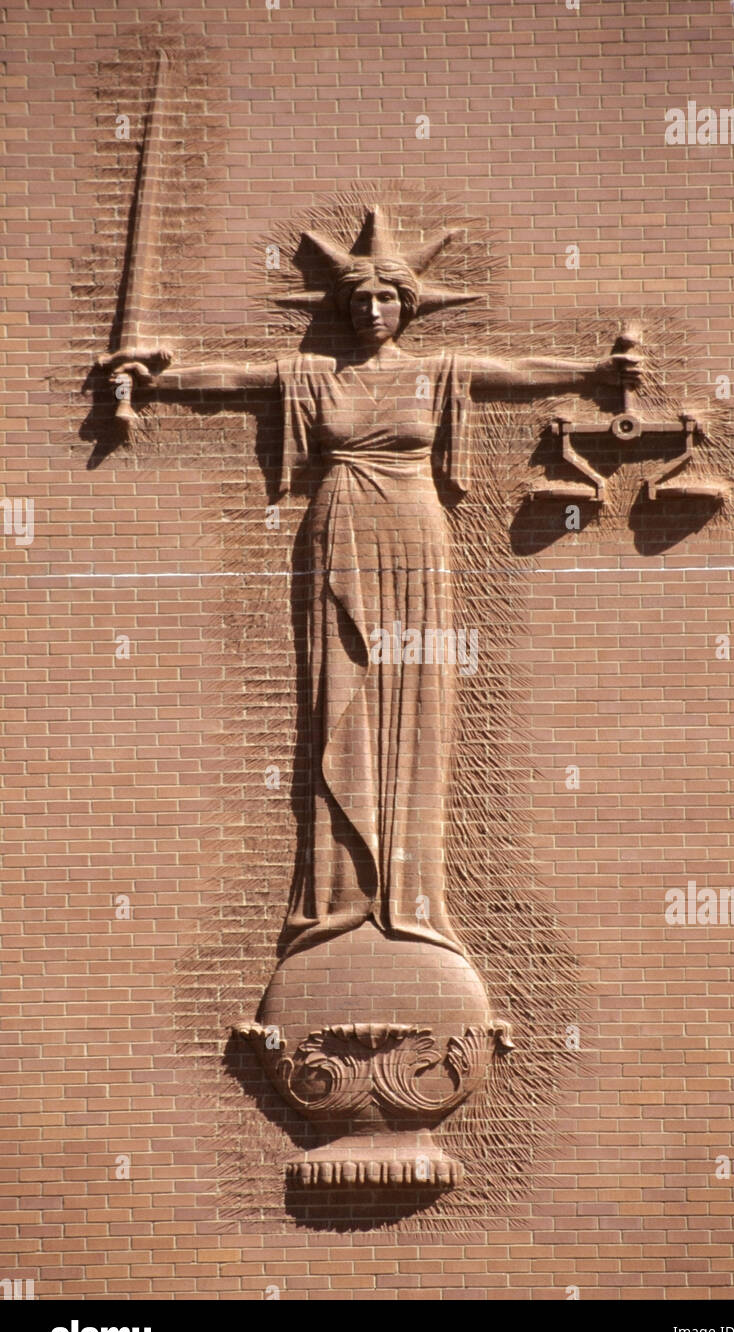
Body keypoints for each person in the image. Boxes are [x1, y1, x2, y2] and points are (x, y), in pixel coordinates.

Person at [105, 213, 640, 962]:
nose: (372, 311)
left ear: (407, 306)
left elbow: (513, 370)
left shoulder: (437, 371)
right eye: (359, 302)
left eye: (386, 299)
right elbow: (232, 382)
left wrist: (594, 373)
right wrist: (151, 379)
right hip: (340, 529)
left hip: (417, 536)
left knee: (415, 695)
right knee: (340, 694)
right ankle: (339, 893)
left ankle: (409, 892)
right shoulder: (315, 375)